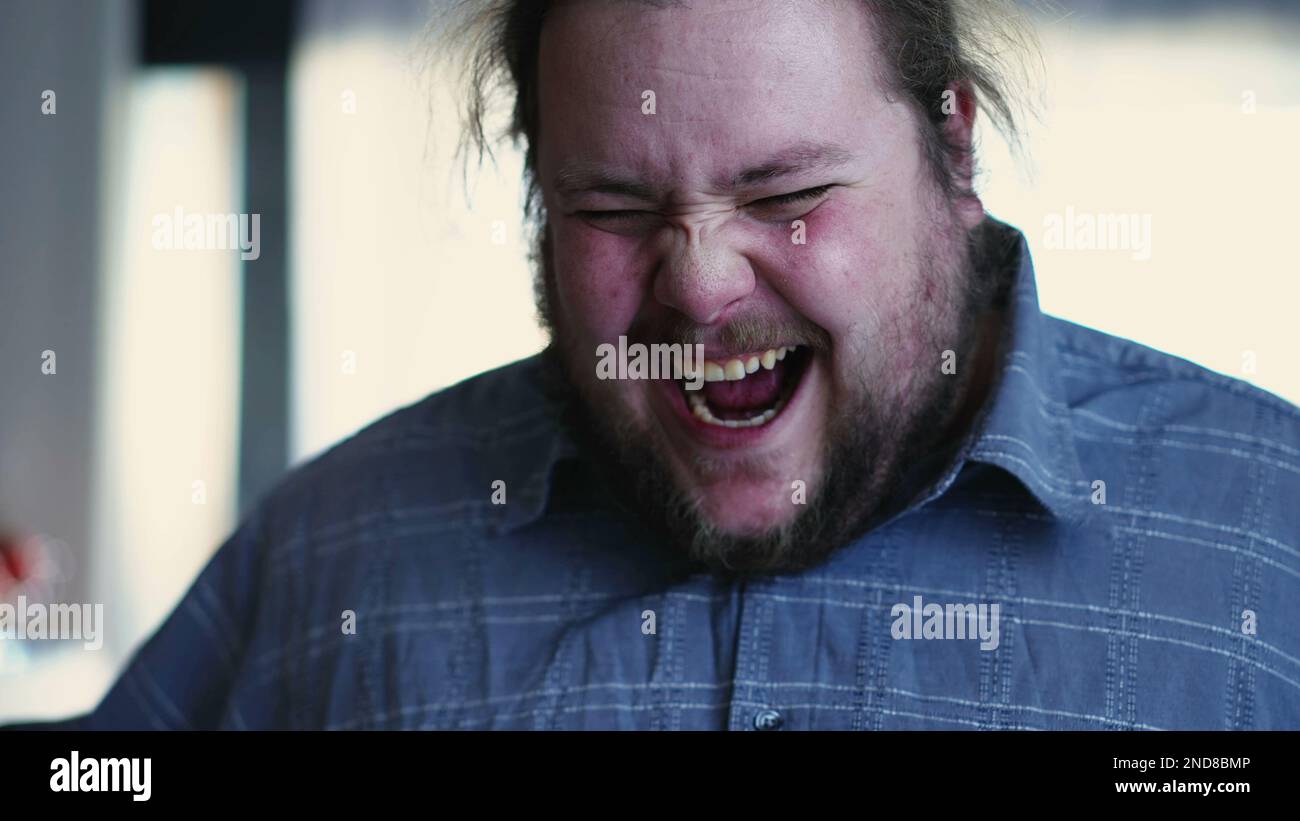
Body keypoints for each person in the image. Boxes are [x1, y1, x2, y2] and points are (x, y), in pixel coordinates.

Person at [48, 0, 1300, 729]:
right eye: (608, 207)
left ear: (953, 148)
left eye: (788, 190)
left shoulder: (1269, 535)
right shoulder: (335, 548)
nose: (697, 283)